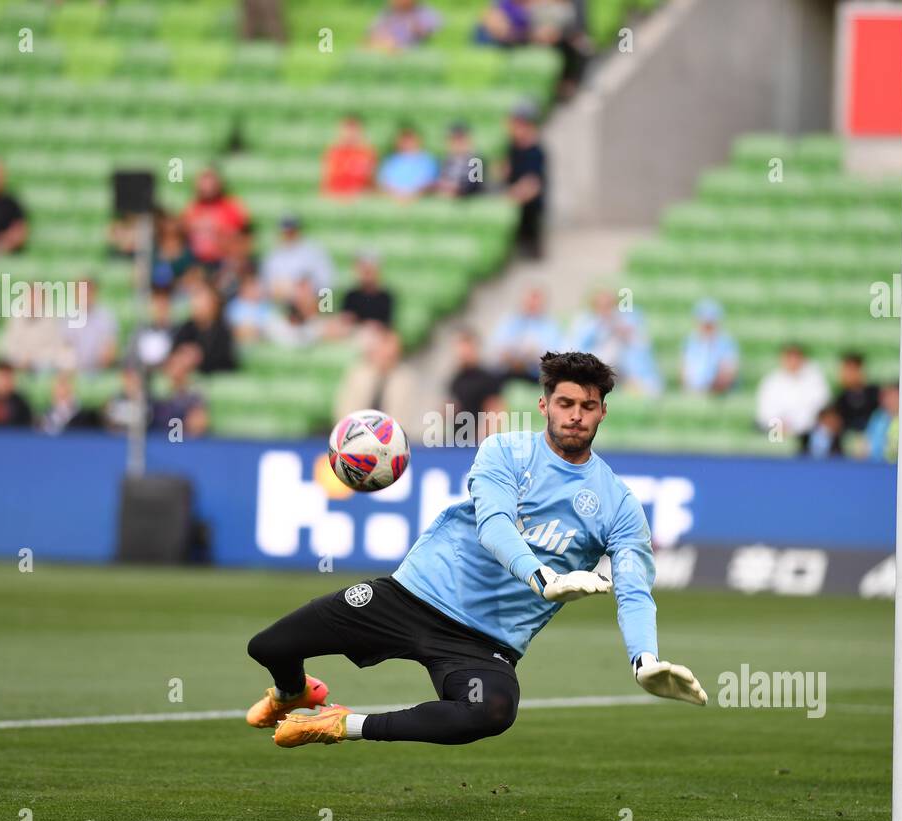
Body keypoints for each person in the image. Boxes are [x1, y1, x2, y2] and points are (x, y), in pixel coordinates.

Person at [246, 351, 707, 748]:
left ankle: (342, 724)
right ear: (545, 404)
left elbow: (633, 588)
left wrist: (644, 659)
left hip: (485, 644)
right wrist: (542, 577)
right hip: (411, 598)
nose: (575, 416)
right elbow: (494, 525)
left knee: (491, 711)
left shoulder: (619, 504)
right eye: (566, 403)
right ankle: (293, 693)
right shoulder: (504, 451)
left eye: (588, 406)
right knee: (269, 646)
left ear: (603, 411)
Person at [569, 288, 662, 396]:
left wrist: (623, 332)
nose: (605, 310)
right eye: (601, 306)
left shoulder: (626, 322)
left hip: (625, 371)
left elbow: (641, 347)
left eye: (609, 305)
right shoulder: (585, 323)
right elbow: (577, 348)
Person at [755, 343, 830, 446]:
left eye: (796, 357)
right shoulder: (771, 382)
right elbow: (765, 412)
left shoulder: (815, 380)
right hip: (778, 429)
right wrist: (781, 425)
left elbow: (822, 407)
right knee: (775, 438)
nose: (793, 361)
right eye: (789, 357)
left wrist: (800, 427)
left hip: (808, 431)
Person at [501, 102, 546, 258]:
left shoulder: (536, 152)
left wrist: (513, 194)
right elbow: (505, 173)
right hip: (513, 193)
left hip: (529, 207)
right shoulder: (511, 147)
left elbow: (533, 184)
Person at [487, 284, 560, 381]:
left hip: (535, 373)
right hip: (508, 369)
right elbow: (496, 345)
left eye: (536, 301)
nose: (532, 304)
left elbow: (554, 354)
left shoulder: (550, 325)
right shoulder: (510, 320)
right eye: (530, 300)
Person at [180, 167, 248, 267]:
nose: (207, 187)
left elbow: (240, 238)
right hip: (195, 261)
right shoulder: (191, 208)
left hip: (223, 261)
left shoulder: (231, 207)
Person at [261, 214, 334, 302]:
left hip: (312, 304)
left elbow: (327, 283)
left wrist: (323, 309)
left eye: (292, 231)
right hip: (281, 307)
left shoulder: (314, 252)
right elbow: (267, 287)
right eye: (285, 231)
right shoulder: (273, 256)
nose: (288, 234)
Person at [172, 282, 237, 373]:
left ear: (214, 303)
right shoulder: (186, 328)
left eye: (201, 299)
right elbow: (174, 353)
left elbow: (225, 362)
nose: (196, 304)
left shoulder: (223, 331)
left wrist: (198, 357)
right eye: (195, 298)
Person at [681, 298, 738, 394]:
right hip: (695, 389)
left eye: (710, 324)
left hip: (717, 389)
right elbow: (684, 372)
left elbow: (729, 372)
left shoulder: (726, 343)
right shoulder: (691, 342)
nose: (707, 328)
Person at [321, 114, 377, 199]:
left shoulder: (367, 153)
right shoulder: (334, 152)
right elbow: (328, 181)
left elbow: (370, 180)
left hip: (359, 196)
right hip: (338, 195)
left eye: (354, 130)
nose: (351, 134)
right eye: (348, 130)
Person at [376, 124, 439, 200]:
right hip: (392, 199)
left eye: (410, 140)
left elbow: (430, 184)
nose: (407, 143)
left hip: (419, 200)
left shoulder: (428, 161)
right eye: (404, 140)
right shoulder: (391, 160)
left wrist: (412, 195)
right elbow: (383, 183)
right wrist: (396, 194)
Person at [338, 251, 394, 328]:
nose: (367, 275)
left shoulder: (386, 297)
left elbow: (386, 324)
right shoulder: (351, 295)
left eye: (369, 271)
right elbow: (346, 320)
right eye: (364, 271)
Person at [367, 0, 442, 51]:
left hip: (409, 49)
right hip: (385, 47)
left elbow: (428, 34)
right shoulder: (388, 13)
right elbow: (373, 32)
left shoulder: (424, 13)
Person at [435, 121, 484, 198]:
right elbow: (440, 180)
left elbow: (475, 185)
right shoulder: (446, 160)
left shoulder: (477, 161)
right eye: (454, 139)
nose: (457, 143)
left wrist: (457, 190)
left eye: (460, 139)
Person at [833, 352, 880, 433]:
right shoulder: (840, 401)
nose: (847, 375)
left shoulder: (876, 395)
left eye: (851, 370)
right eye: (845, 370)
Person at [863, 382, 900, 462]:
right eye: (886, 397)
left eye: (893, 396)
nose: (889, 400)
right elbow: (870, 444)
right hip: (879, 466)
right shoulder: (877, 417)